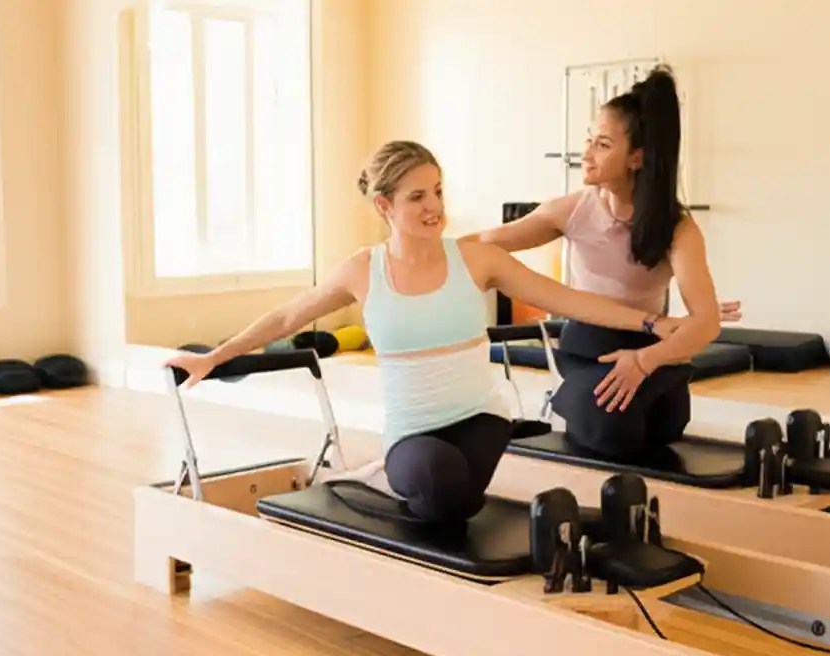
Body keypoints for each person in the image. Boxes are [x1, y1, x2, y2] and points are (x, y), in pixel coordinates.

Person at [165, 140, 685, 524]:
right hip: (413, 429)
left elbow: (568, 300)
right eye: (417, 197)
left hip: (481, 418)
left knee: (451, 496)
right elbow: (286, 318)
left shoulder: (476, 259)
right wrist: (215, 356)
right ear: (384, 206)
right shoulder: (363, 270)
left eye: (437, 191)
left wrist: (651, 322)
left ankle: (427, 487)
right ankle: (376, 478)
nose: (434, 206)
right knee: (439, 484)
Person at [470, 65, 729, 458]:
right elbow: (487, 242)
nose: (586, 154)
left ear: (636, 158)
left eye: (602, 145)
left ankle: (630, 392)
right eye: (589, 140)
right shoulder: (570, 211)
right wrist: (419, 247)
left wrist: (644, 361)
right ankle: (584, 399)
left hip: (648, 349)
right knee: (612, 429)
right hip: (588, 346)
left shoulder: (676, 228)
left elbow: (707, 321)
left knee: (666, 427)